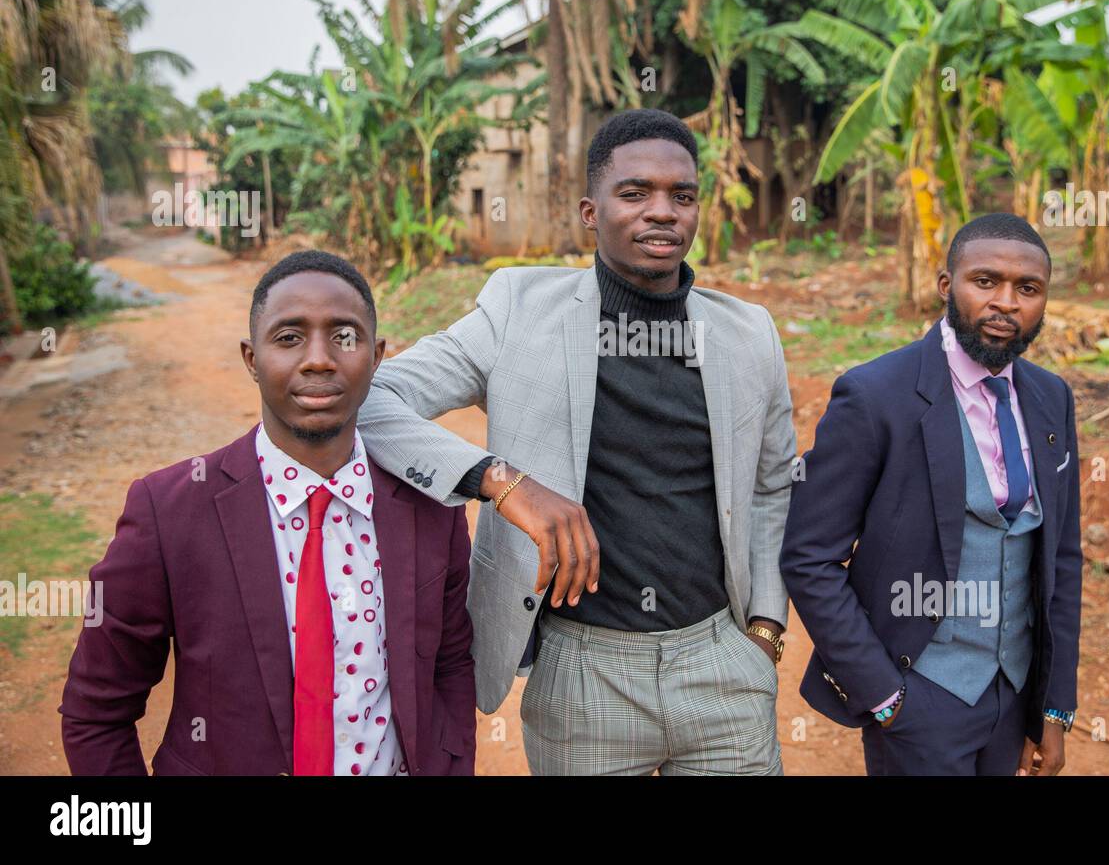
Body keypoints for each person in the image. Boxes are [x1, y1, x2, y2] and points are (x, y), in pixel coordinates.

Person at [358, 108, 796, 775]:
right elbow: (370, 398)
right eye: (634, 193)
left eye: (681, 196)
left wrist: (763, 628)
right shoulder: (518, 310)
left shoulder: (747, 334)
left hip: (722, 663)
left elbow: (772, 487)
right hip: (584, 675)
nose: (662, 212)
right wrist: (502, 482)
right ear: (590, 213)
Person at [60, 250, 475, 775]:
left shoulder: (429, 506)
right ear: (251, 359)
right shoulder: (168, 512)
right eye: (289, 337)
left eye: (345, 336)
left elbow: (450, 664)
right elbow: (97, 711)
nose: (319, 358)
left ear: (377, 355)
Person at [781, 213, 1082, 776]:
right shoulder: (876, 397)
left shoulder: (1050, 398)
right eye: (985, 281)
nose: (1006, 303)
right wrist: (886, 697)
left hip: (1014, 696)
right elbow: (809, 555)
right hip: (920, 696)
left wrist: (1054, 707)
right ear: (947, 285)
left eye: (1028, 289)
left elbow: (1062, 556)